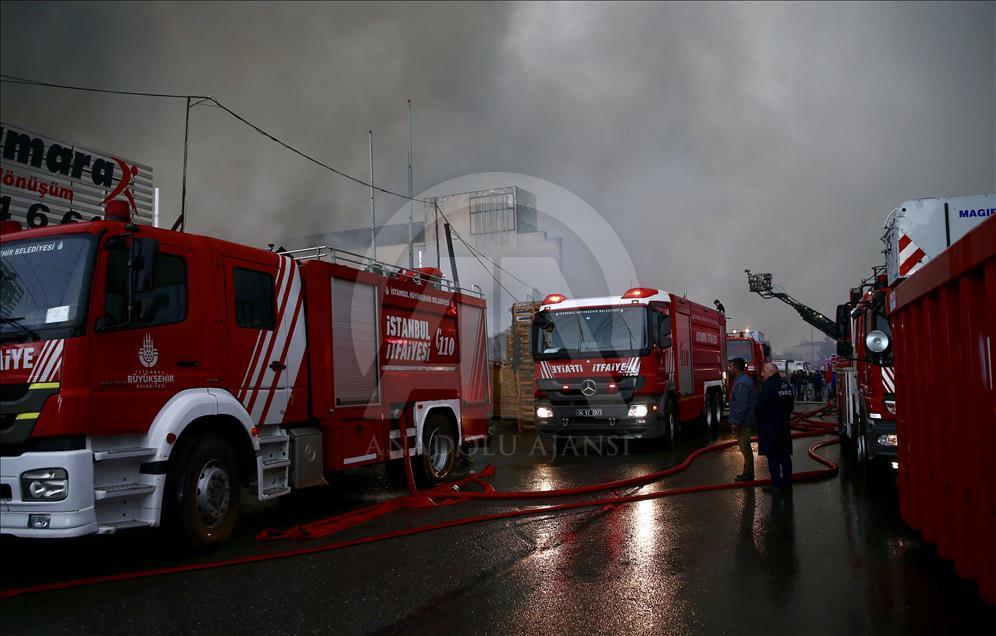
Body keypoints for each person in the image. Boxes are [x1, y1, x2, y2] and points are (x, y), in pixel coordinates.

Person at [754, 362, 795, 494]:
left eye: (764, 371)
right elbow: (791, 407)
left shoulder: (768, 387)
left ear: (771, 372)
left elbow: (759, 407)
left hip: (771, 429)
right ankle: (788, 484)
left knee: (773, 458)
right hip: (784, 427)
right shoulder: (787, 386)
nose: (761, 374)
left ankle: (776, 485)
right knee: (785, 457)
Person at [727, 357, 756, 482]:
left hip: (743, 422)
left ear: (735, 367)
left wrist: (735, 422)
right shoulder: (745, 380)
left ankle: (748, 474)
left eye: (730, 367)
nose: (729, 369)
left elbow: (741, 405)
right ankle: (747, 472)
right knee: (745, 447)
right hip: (746, 420)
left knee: (745, 447)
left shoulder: (741, 384)